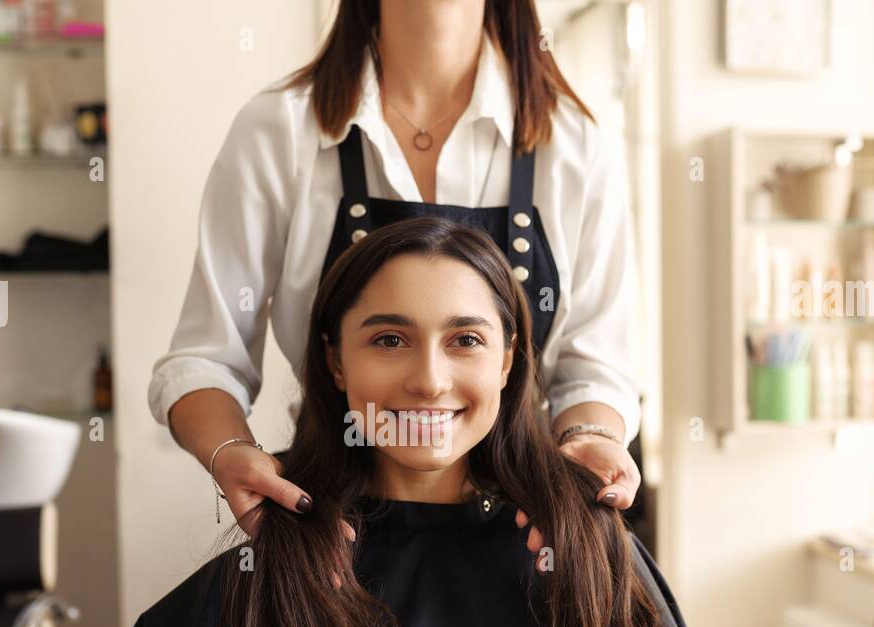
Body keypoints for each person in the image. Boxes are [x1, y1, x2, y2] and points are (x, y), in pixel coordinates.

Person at [46, 218, 810, 627]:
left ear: (509, 361)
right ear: (336, 362)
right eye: (389, 339)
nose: (429, 379)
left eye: (466, 339)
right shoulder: (263, 580)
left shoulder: (583, 560)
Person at [149, 0, 647, 536]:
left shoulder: (575, 145)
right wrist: (231, 451)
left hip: (528, 533)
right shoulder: (277, 131)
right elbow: (205, 360)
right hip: (331, 533)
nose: (431, 383)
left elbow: (594, 369)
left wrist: (591, 434)